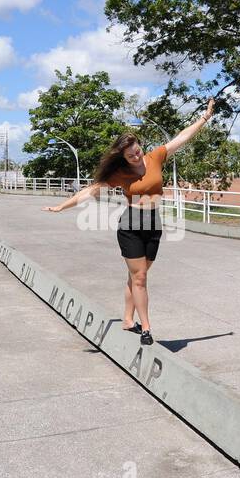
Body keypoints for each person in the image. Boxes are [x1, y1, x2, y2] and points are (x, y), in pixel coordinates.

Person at [42, 99, 216, 345]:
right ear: (122, 157)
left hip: (154, 224)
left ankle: (127, 319)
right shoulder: (119, 174)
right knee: (141, 278)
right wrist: (62, 206)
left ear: (140, 146)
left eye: (136, 150)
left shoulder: (155, 157)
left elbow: (182, 137)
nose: (135, 156)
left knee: (136, 277)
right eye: (129, 155)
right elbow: (89, 191)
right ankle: (146, 328)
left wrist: (205, 118)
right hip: (131, 226)